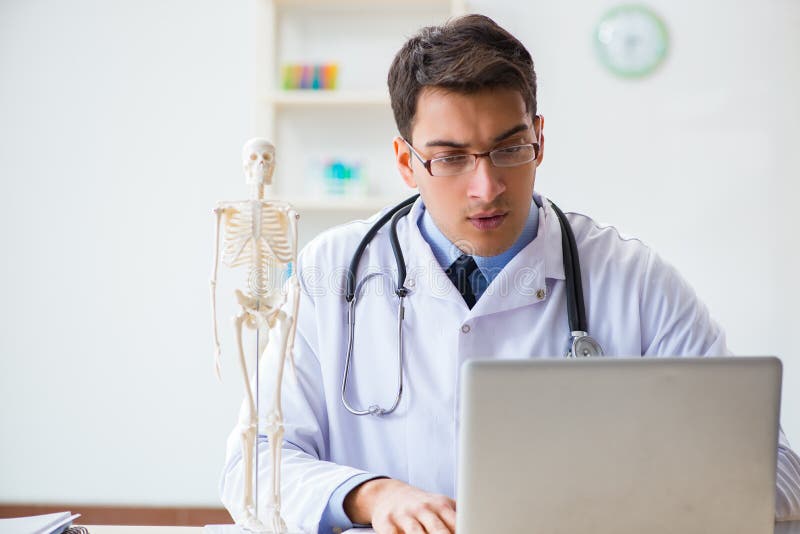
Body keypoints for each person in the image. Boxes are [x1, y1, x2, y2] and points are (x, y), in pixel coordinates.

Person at [220, 14, 800, 533]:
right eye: (449, 158)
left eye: (509, 148)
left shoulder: (631, 278)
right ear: (406, 162)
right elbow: (255, 465)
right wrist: (371, 495)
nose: (487, 187)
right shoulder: (334, 272)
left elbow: (773, 473)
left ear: (539, 140)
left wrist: (628, 500)